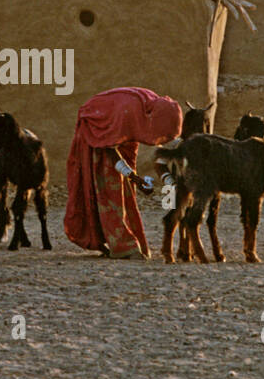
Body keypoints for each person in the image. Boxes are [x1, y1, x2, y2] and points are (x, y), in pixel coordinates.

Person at [64, 86, 182, 259]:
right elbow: (111, 151)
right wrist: (133, 177)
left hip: (117, 133)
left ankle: (125, 241)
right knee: (108, 192)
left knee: (125, 192)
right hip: (98, 132)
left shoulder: (148, 111)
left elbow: (167, 147)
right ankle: (122, 246)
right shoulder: (127, 113)